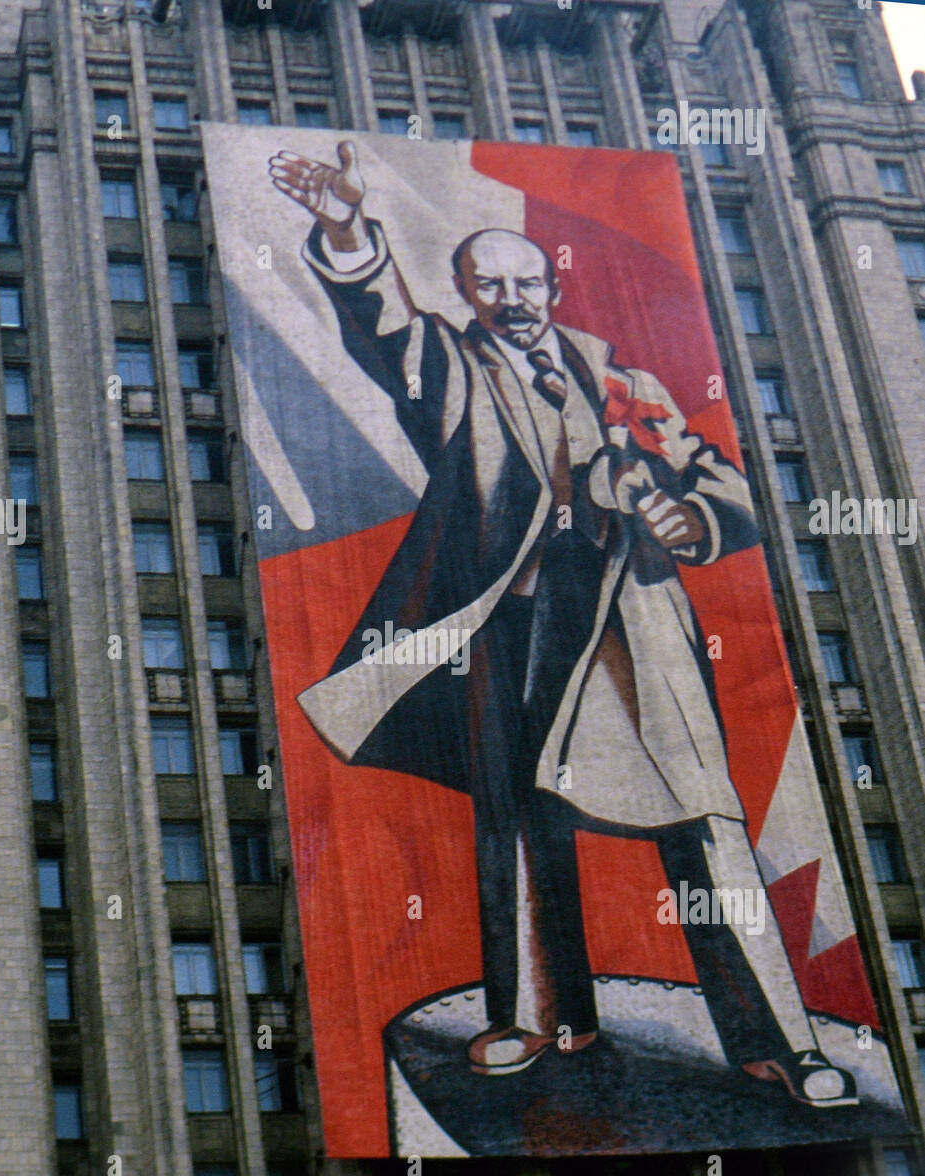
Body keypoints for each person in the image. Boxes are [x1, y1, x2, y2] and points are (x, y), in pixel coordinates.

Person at [269, 141, 857, 1108]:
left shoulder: (609, 369)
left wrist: (689, 517)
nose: (512, 299)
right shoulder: (454, 368)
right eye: (488, 284)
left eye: (526, 282)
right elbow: (389, 336)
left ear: (552, 285)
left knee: (703, 824)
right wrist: (346, 232)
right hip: (519, 622)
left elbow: (716, 475)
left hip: (638, 621)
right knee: (519, 816)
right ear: (464, 292)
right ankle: (543, 1017)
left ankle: (778, 1044)